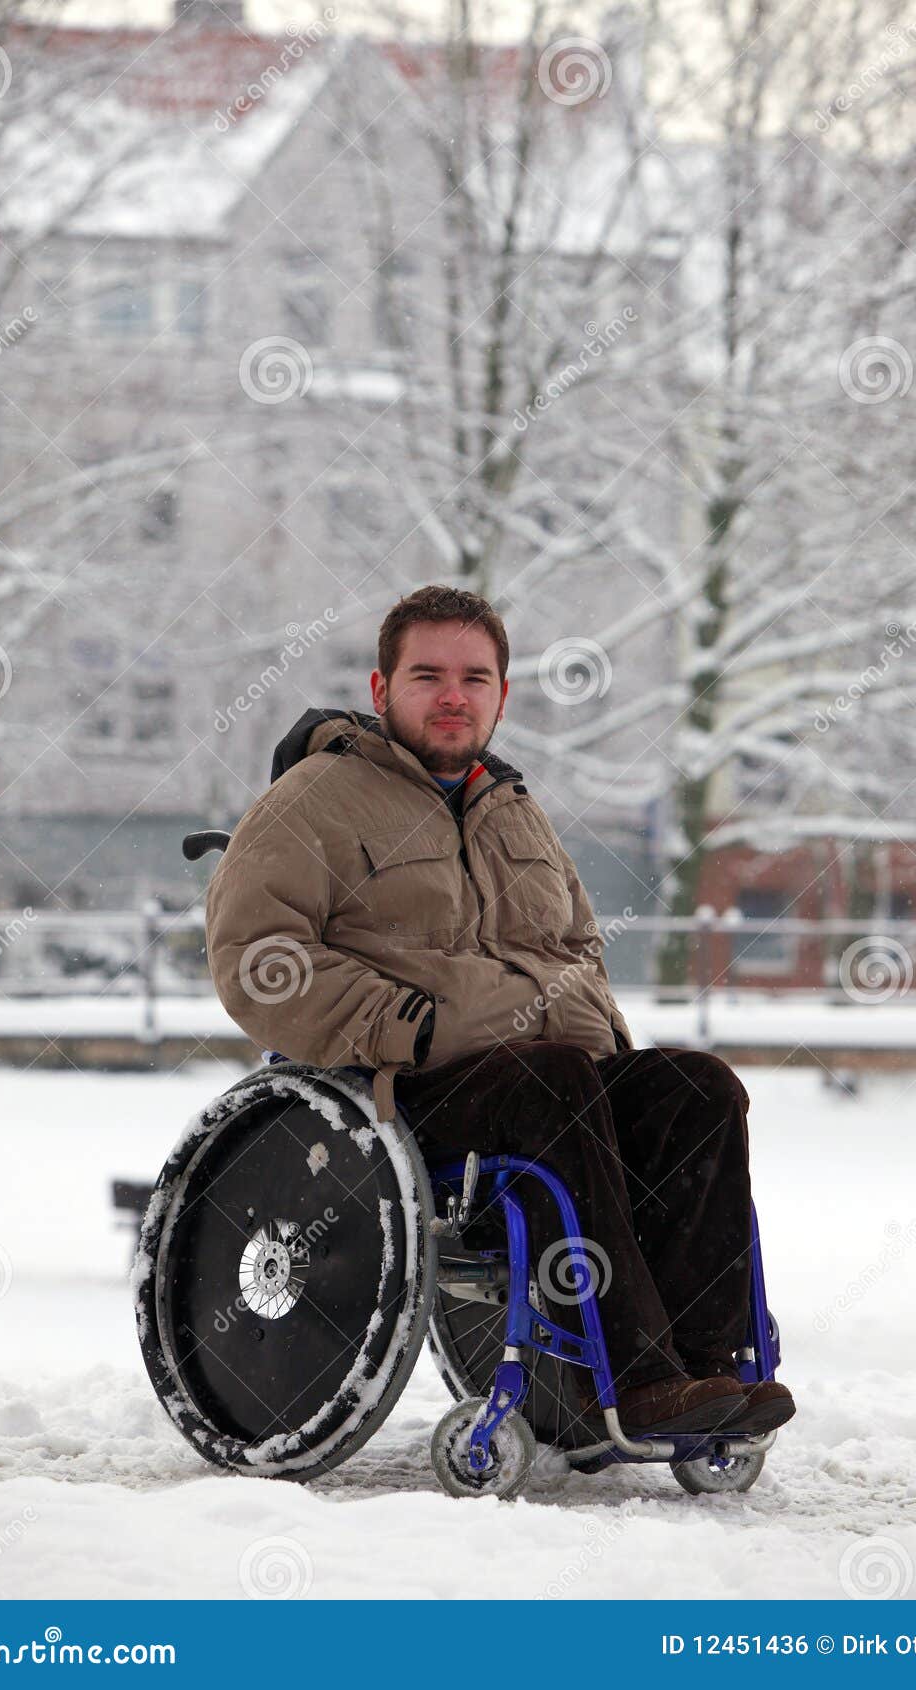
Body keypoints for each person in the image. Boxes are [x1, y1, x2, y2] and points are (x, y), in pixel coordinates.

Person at [205, 584, 796, 1442]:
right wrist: (408, 1026)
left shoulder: (512, 810)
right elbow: (258, 960)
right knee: (551, 1081)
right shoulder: (313, 801)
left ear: (502, 695)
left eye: (474, 678)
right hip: (401, 1089)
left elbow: (579, 949)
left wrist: (614, 1061)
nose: (453, 696)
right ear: (381, 690)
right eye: (428, 676)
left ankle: (707, 1372)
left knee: (692, 1086)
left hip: (551, 1084)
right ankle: (635, 1380)